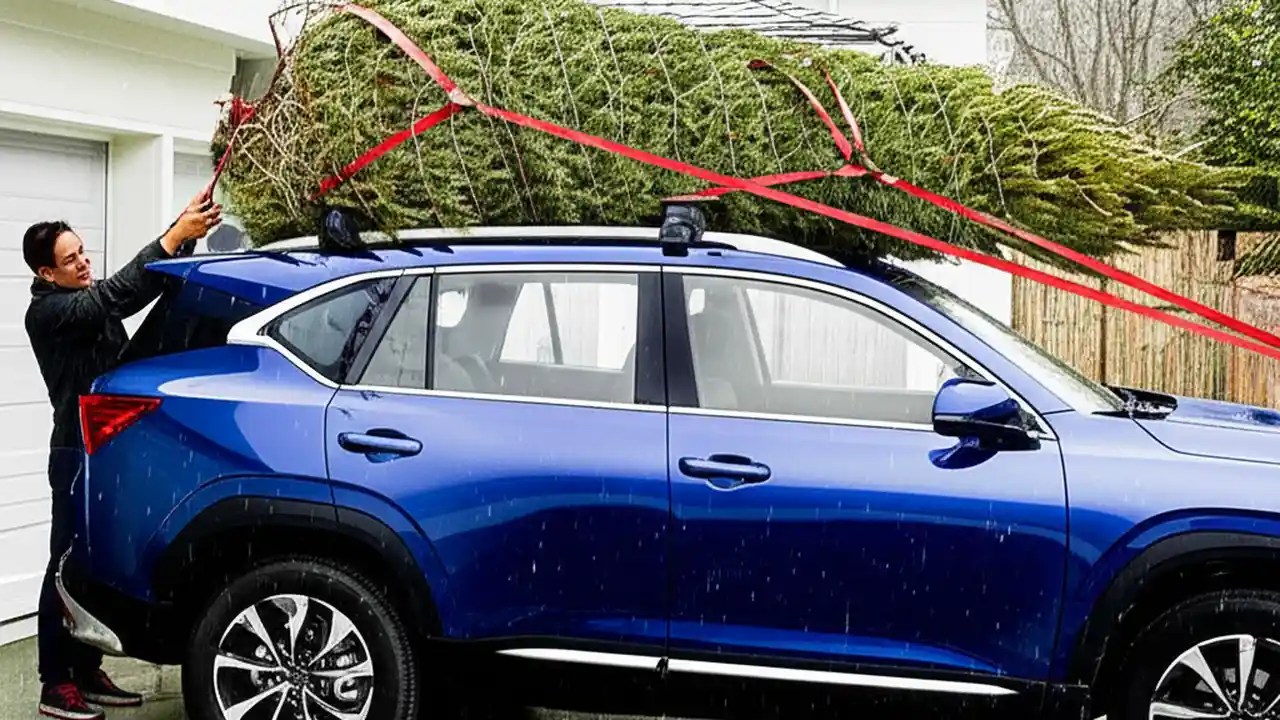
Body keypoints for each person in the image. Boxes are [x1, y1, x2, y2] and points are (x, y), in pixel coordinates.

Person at [23, 191, 222, 720]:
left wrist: (185, 236)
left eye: (84, 251)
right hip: (74, 452)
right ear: (46, 273)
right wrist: (170, 237)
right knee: (64, 566)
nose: (84, 262)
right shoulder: (49, 313)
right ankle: (54, 683)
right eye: (71, 260)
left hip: (109, 450)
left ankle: (86, 670)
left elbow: (135, 295)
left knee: (96, 561)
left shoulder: (81, 296)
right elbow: (117, 298)